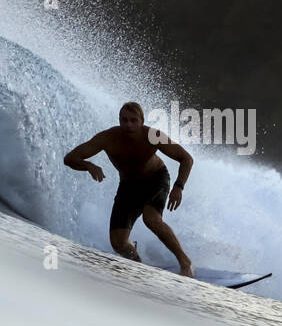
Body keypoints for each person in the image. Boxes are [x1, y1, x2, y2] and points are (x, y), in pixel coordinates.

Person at [63, 102, 194, 278]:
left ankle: (185, 262)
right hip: (129, 187)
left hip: (155, 179)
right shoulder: (107, 138)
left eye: (134, 121)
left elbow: (186, 158)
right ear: (119, 121)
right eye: (124, 120)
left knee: (152, 219)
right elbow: (70, 158)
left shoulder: (153, 135)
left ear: (142, 121)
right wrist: (87, 165)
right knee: (118, 243)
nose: (128, 125)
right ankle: (136, 264)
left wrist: (179, 186)